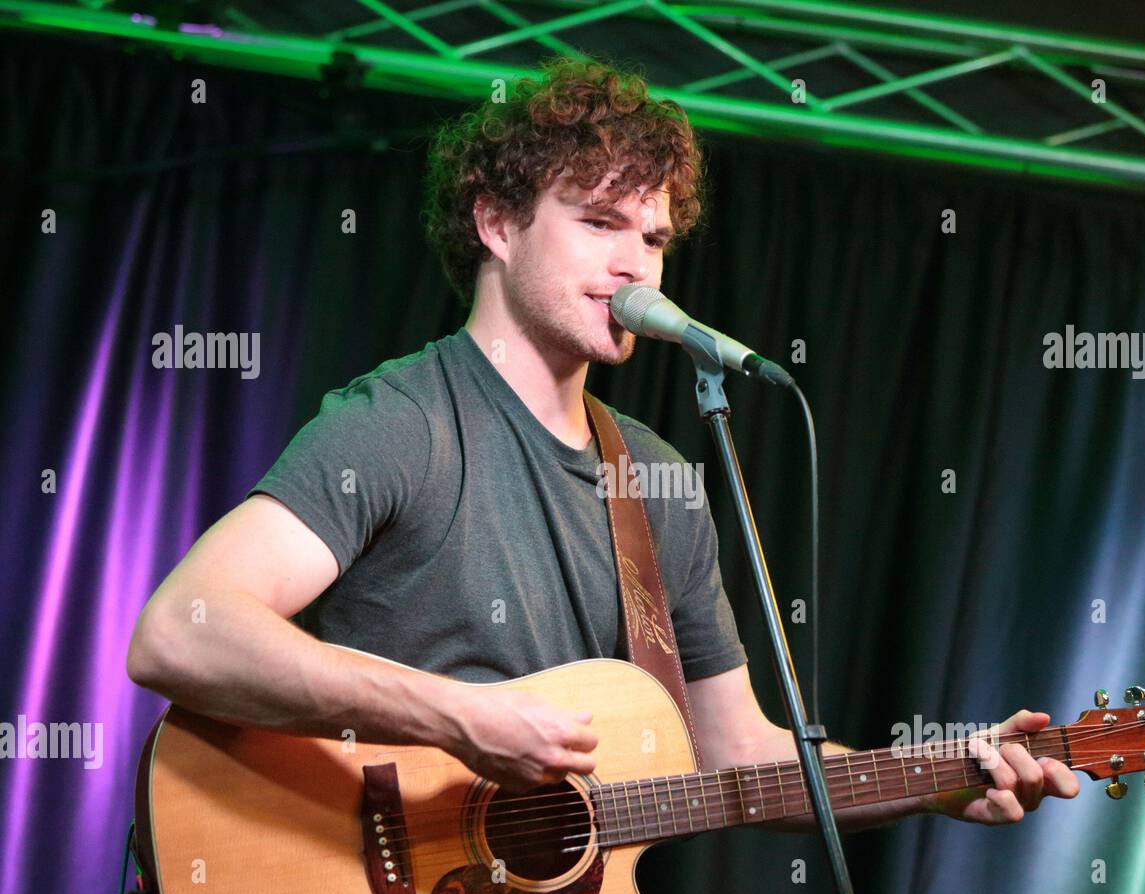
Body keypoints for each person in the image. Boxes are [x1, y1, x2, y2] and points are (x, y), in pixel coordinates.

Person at [126, 57, 1077, 833]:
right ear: (496, 224)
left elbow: (736, 751)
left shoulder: (658, 481)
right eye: (600, 223)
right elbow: (181, 629)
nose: (636, 263)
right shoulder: (403, 422)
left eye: (655, 237)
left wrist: (934, 778)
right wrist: (458, 718)